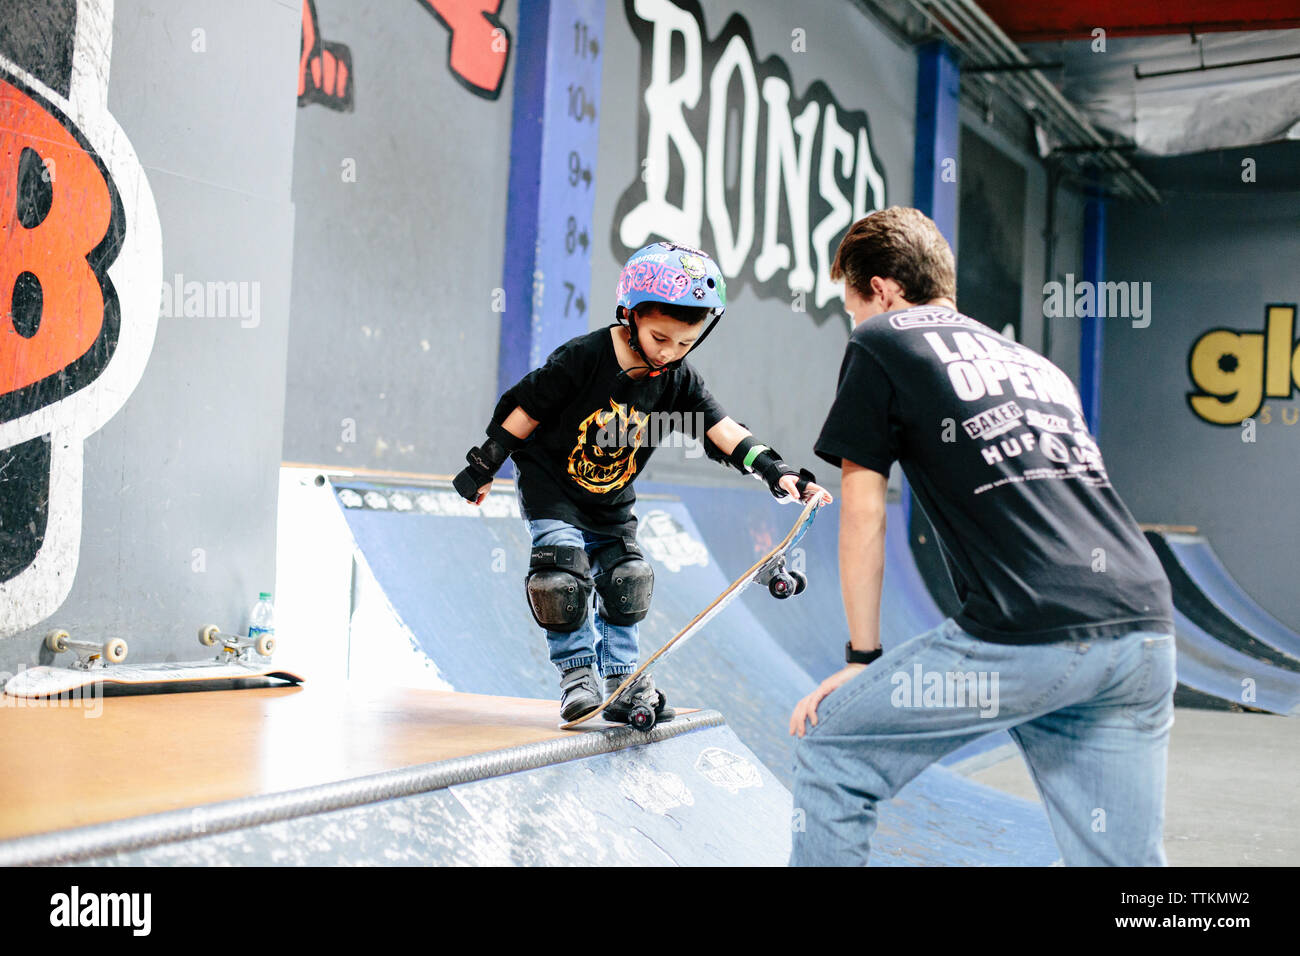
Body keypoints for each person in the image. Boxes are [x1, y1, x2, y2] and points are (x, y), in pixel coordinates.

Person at [789, 207, 1176, 866]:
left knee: (833, 747)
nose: (853, 321)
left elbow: (863, 510)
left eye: (851, 304)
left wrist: (861, 658)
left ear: (880, 290)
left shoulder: (882, 341)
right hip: (1144, 632)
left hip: (1028, 636)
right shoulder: (1038, 367)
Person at [455, 240, 832, 723]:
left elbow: (722, 430)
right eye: (660, 337)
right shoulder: (584, 357)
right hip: (552, 486)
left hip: (611, 498)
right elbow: (525, 410)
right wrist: (485, 465)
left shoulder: (676, 378)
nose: (670, 352)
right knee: (561, 575)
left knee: (626, 580)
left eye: (685, 343)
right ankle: (576, 677)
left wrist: (777, 472)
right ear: (629, 315)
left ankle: (621, 680)